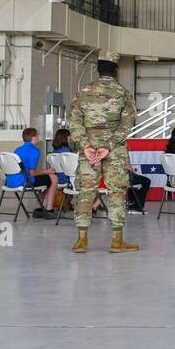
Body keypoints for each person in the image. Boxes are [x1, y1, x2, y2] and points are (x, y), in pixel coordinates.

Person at [68, 50, 138, 254]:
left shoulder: (83, 92)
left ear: (98, 69)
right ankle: (117, 240)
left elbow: (73, 121)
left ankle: (81, 240)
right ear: (116, 69)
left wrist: (86, 145)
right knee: (116, 192)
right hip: (114, 151)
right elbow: (127, 125)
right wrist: (108, 146)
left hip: (87, 150)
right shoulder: (123, 93)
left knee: (86, 192)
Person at [7, 128, 59, 218]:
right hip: (24, 181)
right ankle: (49, 210)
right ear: (34, 138)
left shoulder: (17, 150)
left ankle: (39, 209)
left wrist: (44, 173)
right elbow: (32, 173)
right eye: (38, 135)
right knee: (53, 177)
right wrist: (47, 171)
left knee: (46, 181)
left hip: (11, 181)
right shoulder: (34, 151)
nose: (39, 136)